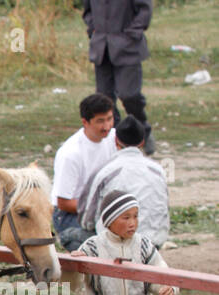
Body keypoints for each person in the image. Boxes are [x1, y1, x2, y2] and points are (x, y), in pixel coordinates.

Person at [82, 116, 170, 246]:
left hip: (117, 245)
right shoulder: (158, 171)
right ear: (142, 142)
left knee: (70, 235)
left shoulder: (107, 171)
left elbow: (88, 221)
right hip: (154, 243)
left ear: (116, 140)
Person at [85, 0, 157, 155]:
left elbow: (145, 10)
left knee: (130, 95)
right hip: (101, 48)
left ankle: (143, 130)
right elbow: (87, 11)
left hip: (128, 47)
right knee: (104, 99)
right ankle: (116, 138)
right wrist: (93, 29)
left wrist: (133, 32)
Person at [52, 93, 119, 251]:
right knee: (95, 246)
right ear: (85, 122)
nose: (107, 126)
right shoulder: (70, 154)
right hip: (71, 214)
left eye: (109, 119)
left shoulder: (113, 138)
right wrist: (100, 210)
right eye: (100, 121)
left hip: (103, 208)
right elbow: (63, 202)